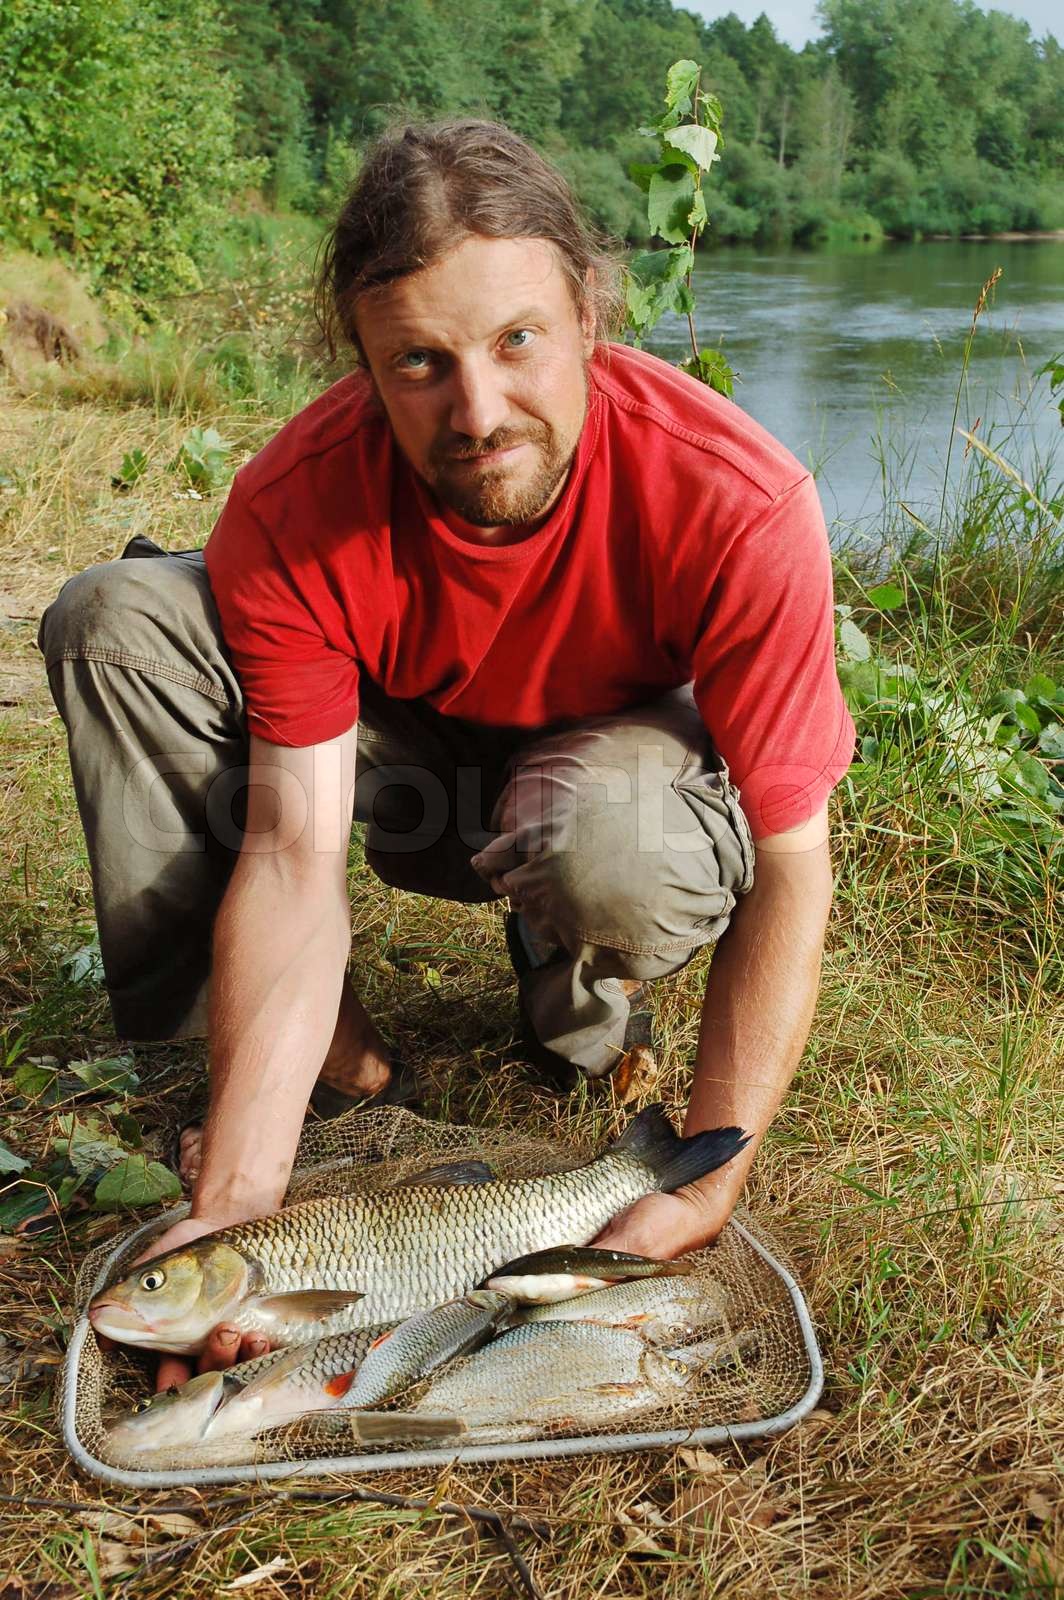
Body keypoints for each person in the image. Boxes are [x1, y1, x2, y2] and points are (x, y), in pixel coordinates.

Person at [39, 119, 854, 1389]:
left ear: (589, 309)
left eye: (514, 341)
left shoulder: (736, 499)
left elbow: (794, 866)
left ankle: (573, 982)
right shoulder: (295, 502)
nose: (475, 412)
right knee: (119, 625)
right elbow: (296, 844)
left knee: (611, 838)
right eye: (418, 363)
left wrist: (712, 1167)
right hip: (407, 775)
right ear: (360, 362)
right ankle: (273, 1086)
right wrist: (249, 1201)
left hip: (604, 784)